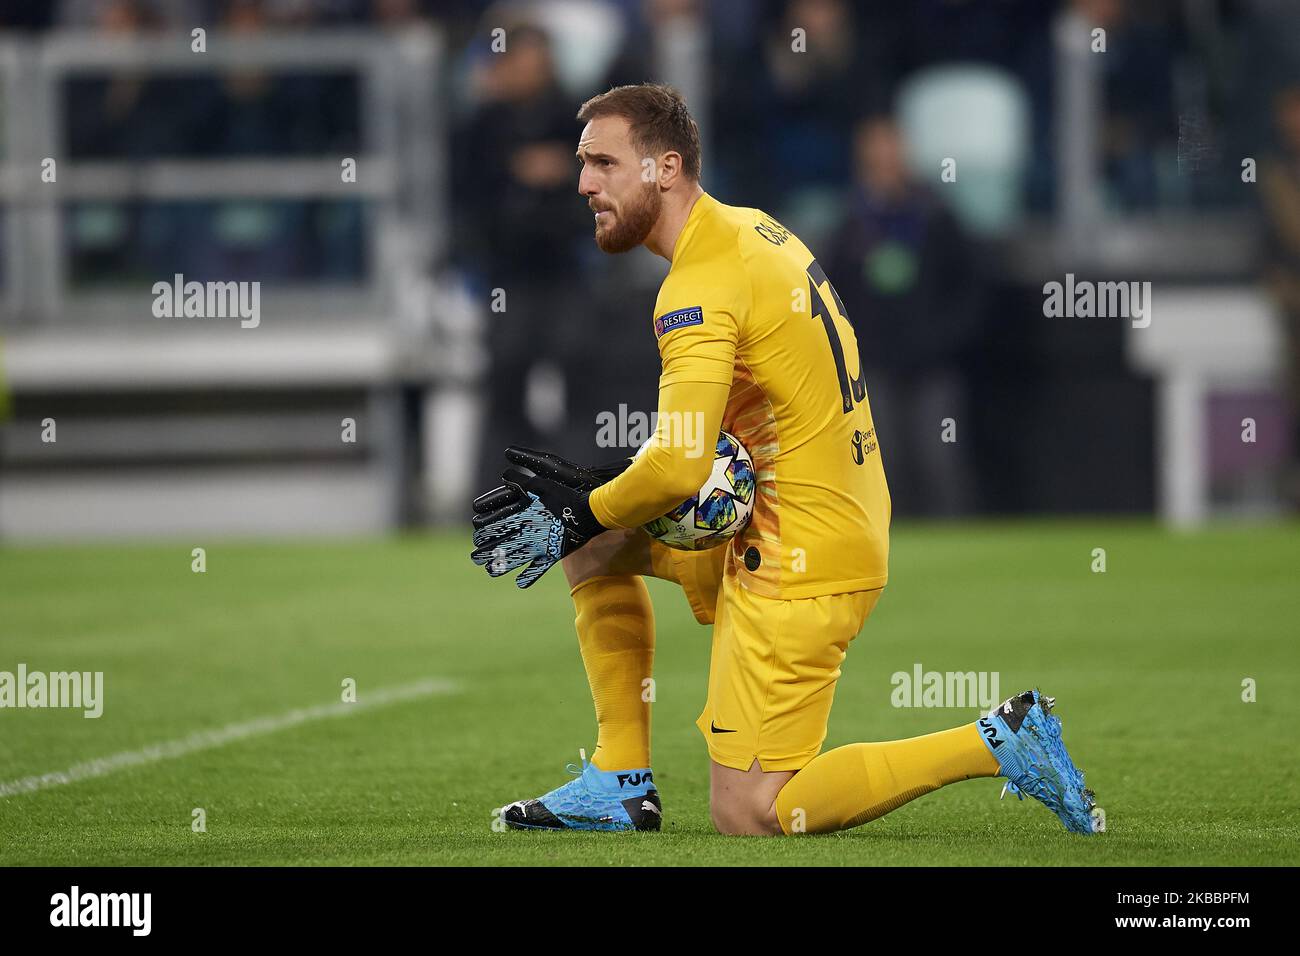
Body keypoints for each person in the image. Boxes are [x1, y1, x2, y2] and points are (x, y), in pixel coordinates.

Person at [471, 83, 1101, 837]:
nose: (583, 184)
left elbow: (677, 466)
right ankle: (618, 781)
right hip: (820, 512)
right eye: (582, 165)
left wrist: (583, 506)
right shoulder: (752, 230)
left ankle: (997, 741)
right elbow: (711, 444)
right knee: (597, 549)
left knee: (755, 812)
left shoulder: (696, 288)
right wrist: (596, 512)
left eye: (604, 163)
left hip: (798, 555)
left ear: (665, 168)